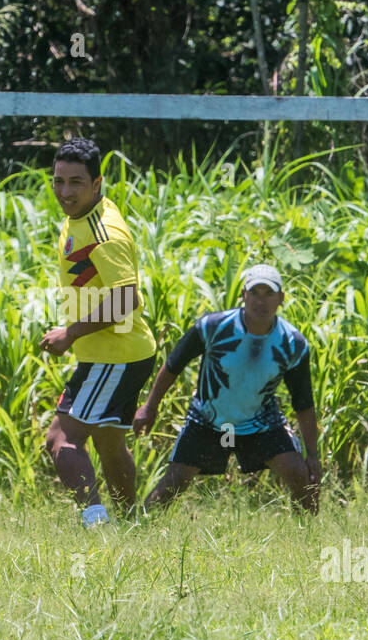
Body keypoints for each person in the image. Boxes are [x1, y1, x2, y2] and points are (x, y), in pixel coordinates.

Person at [133, 265, 320, 512]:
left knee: (300, 474)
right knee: (175, 481)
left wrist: (313, 456)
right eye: (255, 293)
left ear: (281, 299)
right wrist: (150, 406)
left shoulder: (292, 343)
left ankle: (307, 534)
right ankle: (140, 527)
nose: (260, 301)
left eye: (268, 294)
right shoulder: (212, 327)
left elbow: (303, 403)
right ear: (244, 295)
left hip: (261, 422)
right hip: (208, 420)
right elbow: (172, 366)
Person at [41, 137, 157, 528]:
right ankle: (128, 522)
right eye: (59, 181)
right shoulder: (83, 217)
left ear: (97, 183)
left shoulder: (104, 233)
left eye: (76, 182)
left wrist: (71, 333)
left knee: (60, 439)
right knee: (109, 442)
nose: (65, 192)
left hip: (115, 353)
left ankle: (97, 525)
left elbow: (127, 300)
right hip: (119, 352)